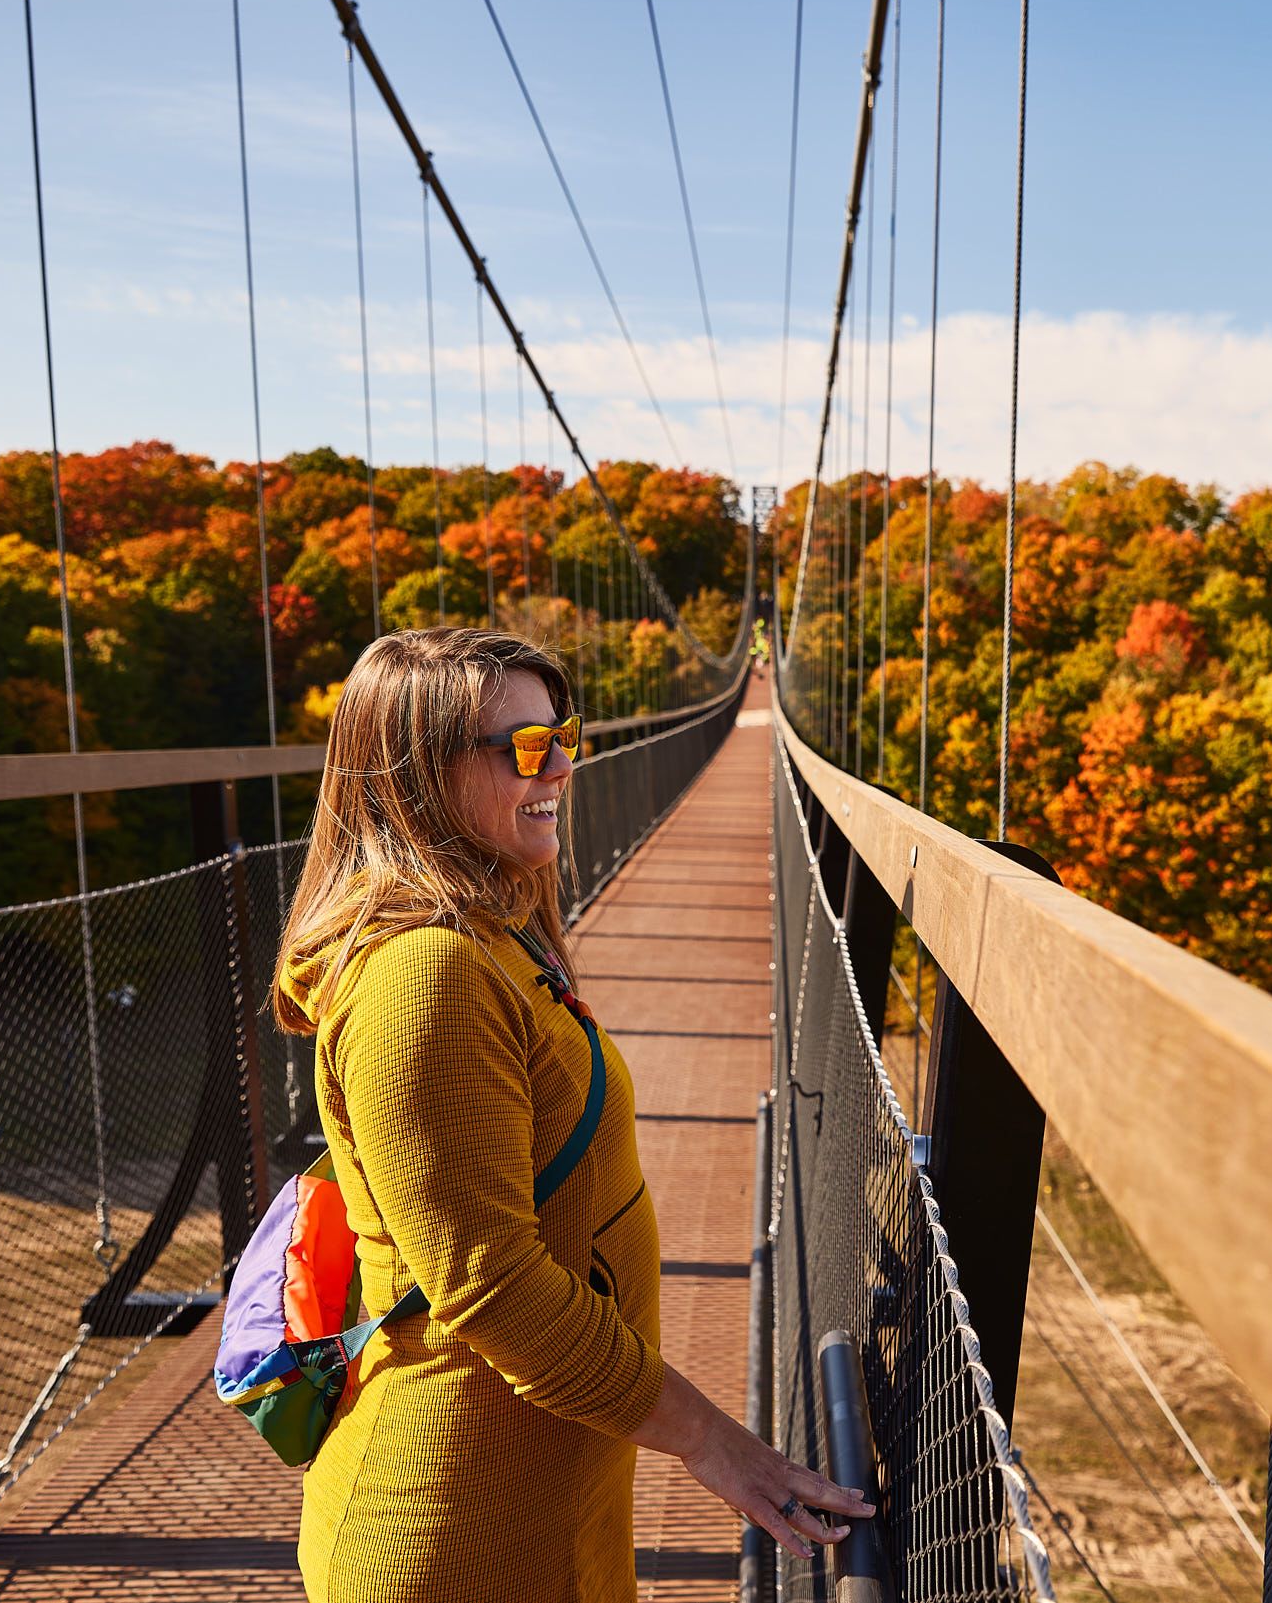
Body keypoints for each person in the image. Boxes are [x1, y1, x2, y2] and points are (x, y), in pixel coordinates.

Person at [272, 626, 867, 1602]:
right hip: (454, 1519)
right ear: (418, 776)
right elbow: (489, 1282)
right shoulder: (425, 971)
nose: (558, 765)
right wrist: (714, 1442)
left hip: (545, 1486)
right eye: (521, 747)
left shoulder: (491, 936)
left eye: (563, 734)